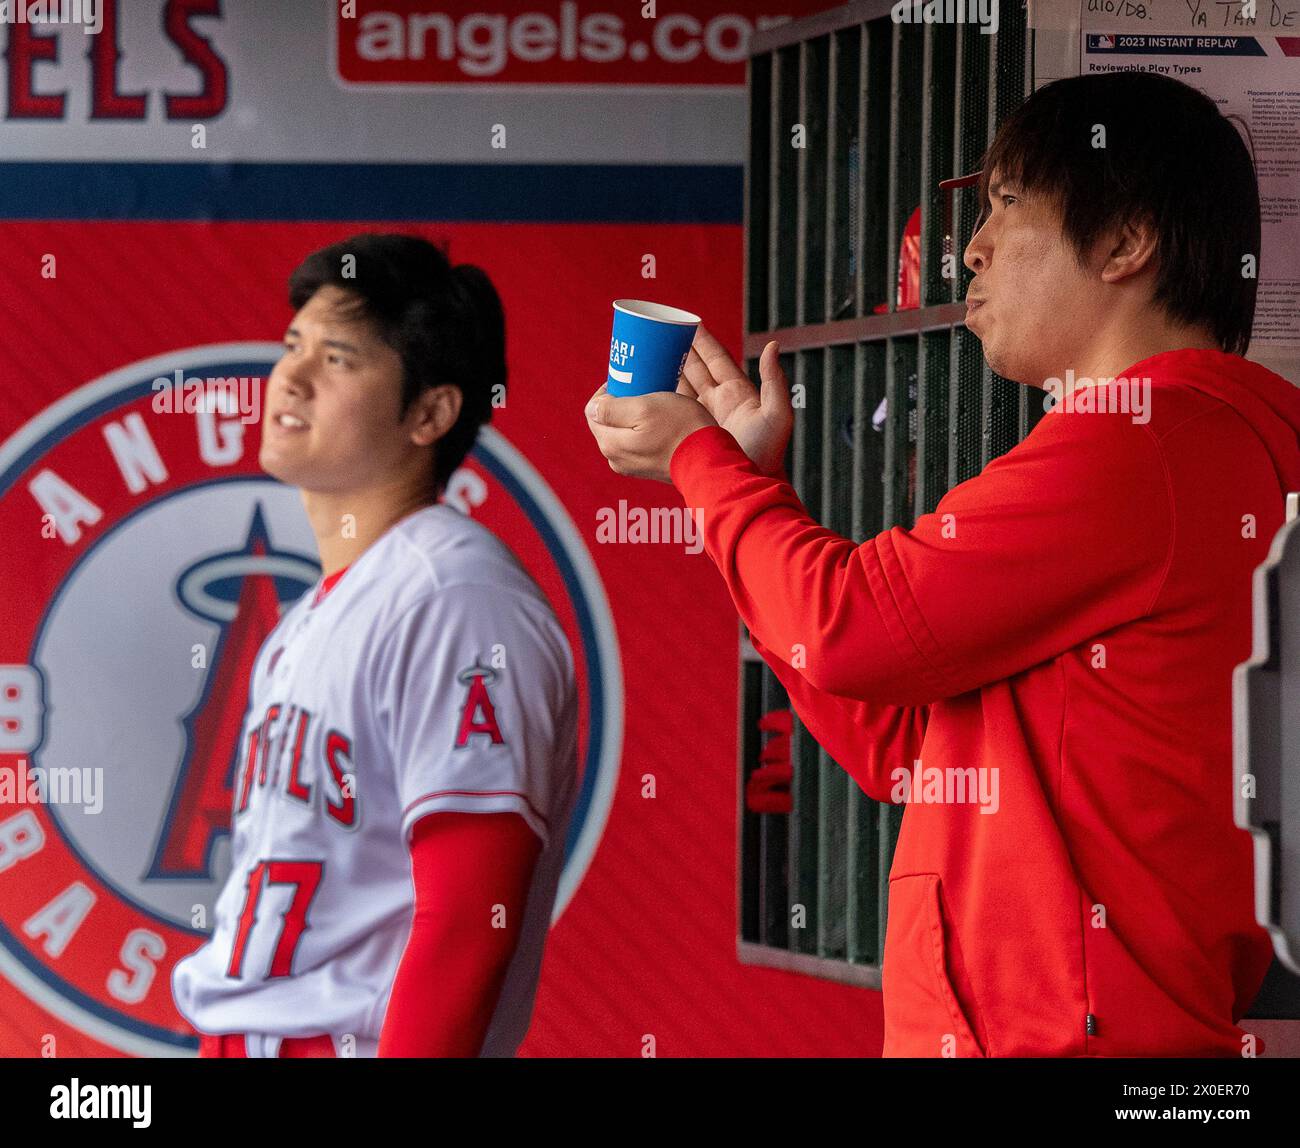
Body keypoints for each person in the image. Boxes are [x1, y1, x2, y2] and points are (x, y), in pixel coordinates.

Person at [585, 72, 1300, 1057]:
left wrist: (702, 467)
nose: (970, 246)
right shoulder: (1192, 436)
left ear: (1126, 241)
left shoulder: (1146, 438)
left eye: (1007, 203)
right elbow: (903, 743)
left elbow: (849, 624)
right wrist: (741, 489)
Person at [173, 232, 578, 1058]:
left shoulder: (457, 599)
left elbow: (468, 921)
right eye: (293, 346)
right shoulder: (307, 622)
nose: (290, 376)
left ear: (430, 412)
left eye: (339, 358)